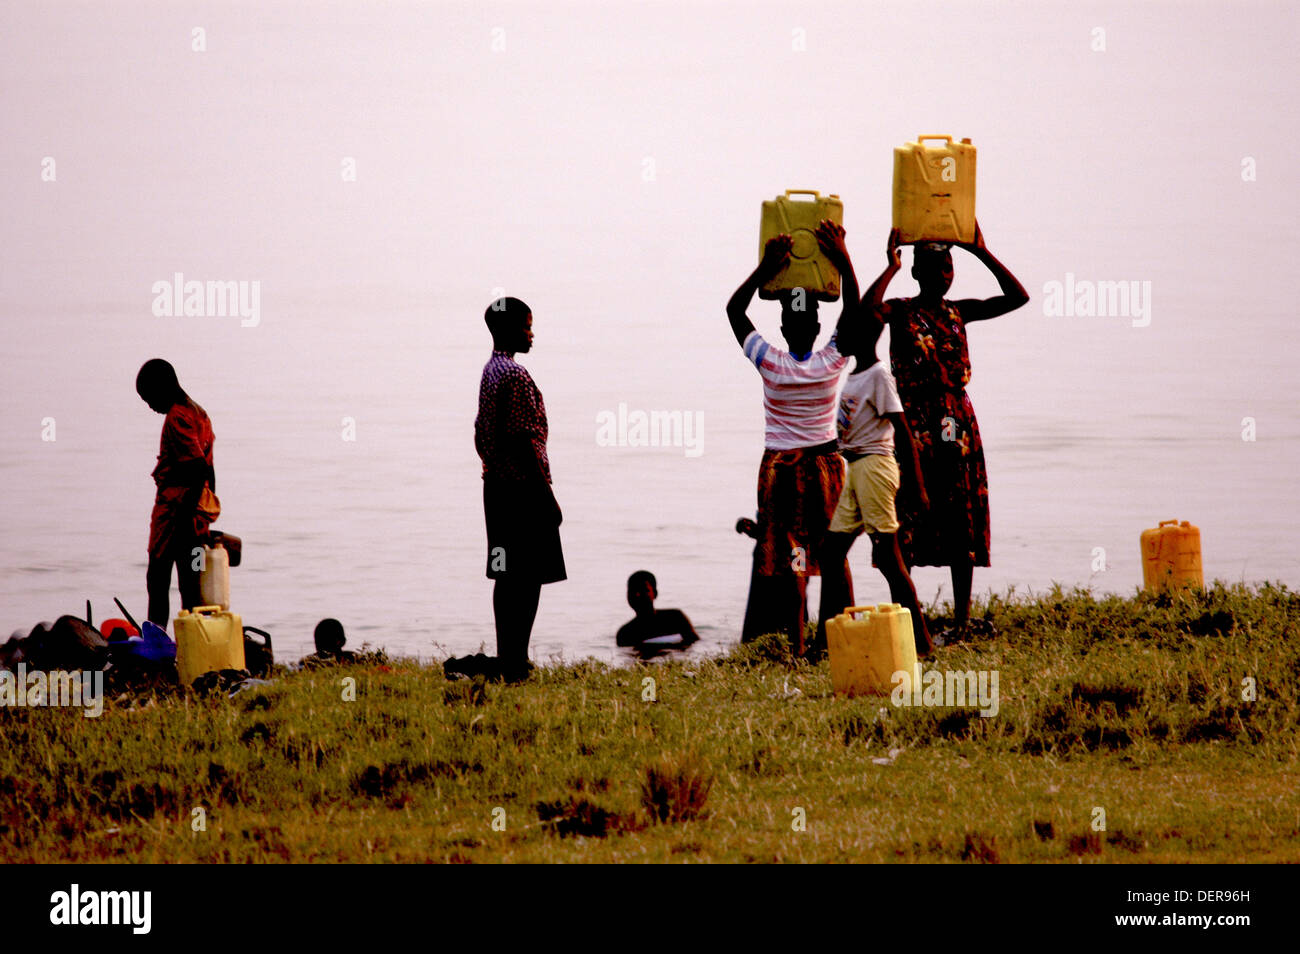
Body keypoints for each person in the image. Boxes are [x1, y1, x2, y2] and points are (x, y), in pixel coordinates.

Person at [861, 225, 1028, 639]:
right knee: (908, 515)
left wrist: (982, 252)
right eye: (935, 268)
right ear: (918, 274)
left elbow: (1017, 297)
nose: (944, 275)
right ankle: (908, 615)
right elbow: (865, 313)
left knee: (960, 514)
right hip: (913, 422)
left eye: (948, 266)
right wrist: (890, 266)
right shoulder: (899, 311)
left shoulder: (960, 311)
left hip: (957, 421)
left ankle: (960, 621)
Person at [727, 221, 858, 655]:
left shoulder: (771, 363)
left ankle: (799, 647)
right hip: (823, 469)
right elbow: (854, 312)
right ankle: (838, 639)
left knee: (796, 559)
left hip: (782, 472)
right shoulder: (831, 362)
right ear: (817, 326)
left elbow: (734, 311)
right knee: (834, 555)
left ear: (783, 327)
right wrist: (842, 257)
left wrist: (764, 269)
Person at [456, 296, 565, 683]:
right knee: (529, 575)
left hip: (496, 488)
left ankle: (508, 658)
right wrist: (546, 496)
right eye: (526, 326)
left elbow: (479, 432)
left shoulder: (491, 371)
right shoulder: (515, 376)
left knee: (505, 573)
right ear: (506, 329)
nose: (532, 334)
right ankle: (515, 660)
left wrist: (492, 465)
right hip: (523, 491)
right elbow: (522, 440)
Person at [816, 308, 934, 656]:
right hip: (855, 469)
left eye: (846, 331)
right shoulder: (854, 375)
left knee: (888, 558)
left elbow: (903, 429)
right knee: (831, 552)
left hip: (875, 468)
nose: (840, 338)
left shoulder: (880, 375)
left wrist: (917, 484)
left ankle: (922, 643)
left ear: (866, 337)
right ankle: (832, 638)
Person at [136, 359, 216, 626]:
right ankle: (195, 642)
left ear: (162, 388)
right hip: (198, 517)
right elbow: (209, 472)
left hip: (175, 515)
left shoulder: (176, 418)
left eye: (149, 398)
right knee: (192, 584)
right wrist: (205, 513)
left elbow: (197, 469)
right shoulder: (200, 414)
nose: (150, 406)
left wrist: (183, 521)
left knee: (157, 578)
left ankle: (156, 643)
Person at [615, 570, 699, 651]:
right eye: (632, 590)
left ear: (655, 593)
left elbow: (695, 644)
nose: (637, 594)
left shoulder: (675, 617)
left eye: (643, 590)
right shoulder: (625, 633)